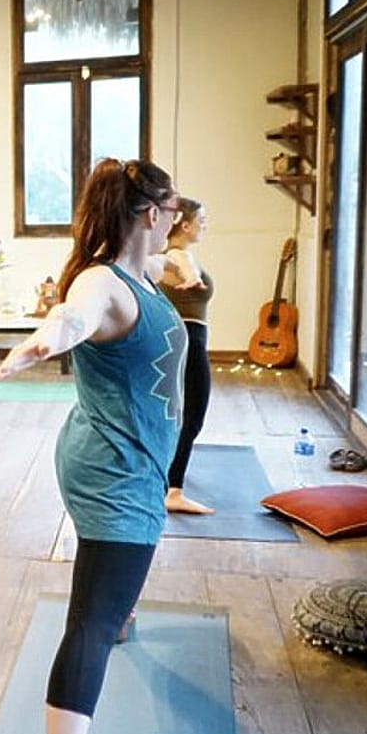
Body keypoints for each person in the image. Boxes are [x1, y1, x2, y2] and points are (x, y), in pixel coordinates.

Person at [0, 158, 186, 734]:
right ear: (152, 214)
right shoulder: (103, 282)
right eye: (172, 210)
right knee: (89, 626)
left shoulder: (144, 272)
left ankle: (120, 610)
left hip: (123, 455)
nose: (176, 221)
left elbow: (159, 264)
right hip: (113, 468)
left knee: (108, 592)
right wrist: (40, 343)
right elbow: (73, 315)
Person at [156, 197, 214, 514]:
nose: (205, 225)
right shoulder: (176, 254)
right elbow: (182, 262)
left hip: (183, 340)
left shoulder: (169, 255)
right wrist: (191, 276)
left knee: (179, 414)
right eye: (201, 220)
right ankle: (172, 491)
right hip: (189, 341)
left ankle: (166, 480)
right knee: (193, 414)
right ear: (185, 224)